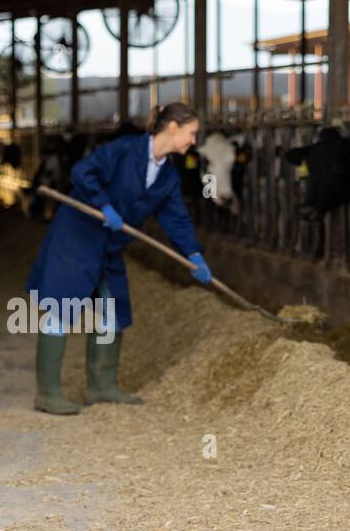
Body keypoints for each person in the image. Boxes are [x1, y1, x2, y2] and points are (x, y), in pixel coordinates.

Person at [25, 103, 212, 413]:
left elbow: (175, 217)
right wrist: (103, 205)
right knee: (62, 307)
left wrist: (194, 254)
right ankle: (47, 393)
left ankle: (101, 387)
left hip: (109, 245)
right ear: (173, 127)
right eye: (191, 133)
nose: (193, 141)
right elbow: (82, 172)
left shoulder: (167, 175)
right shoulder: (125, 149)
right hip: (77, 237)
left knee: (111, 309)